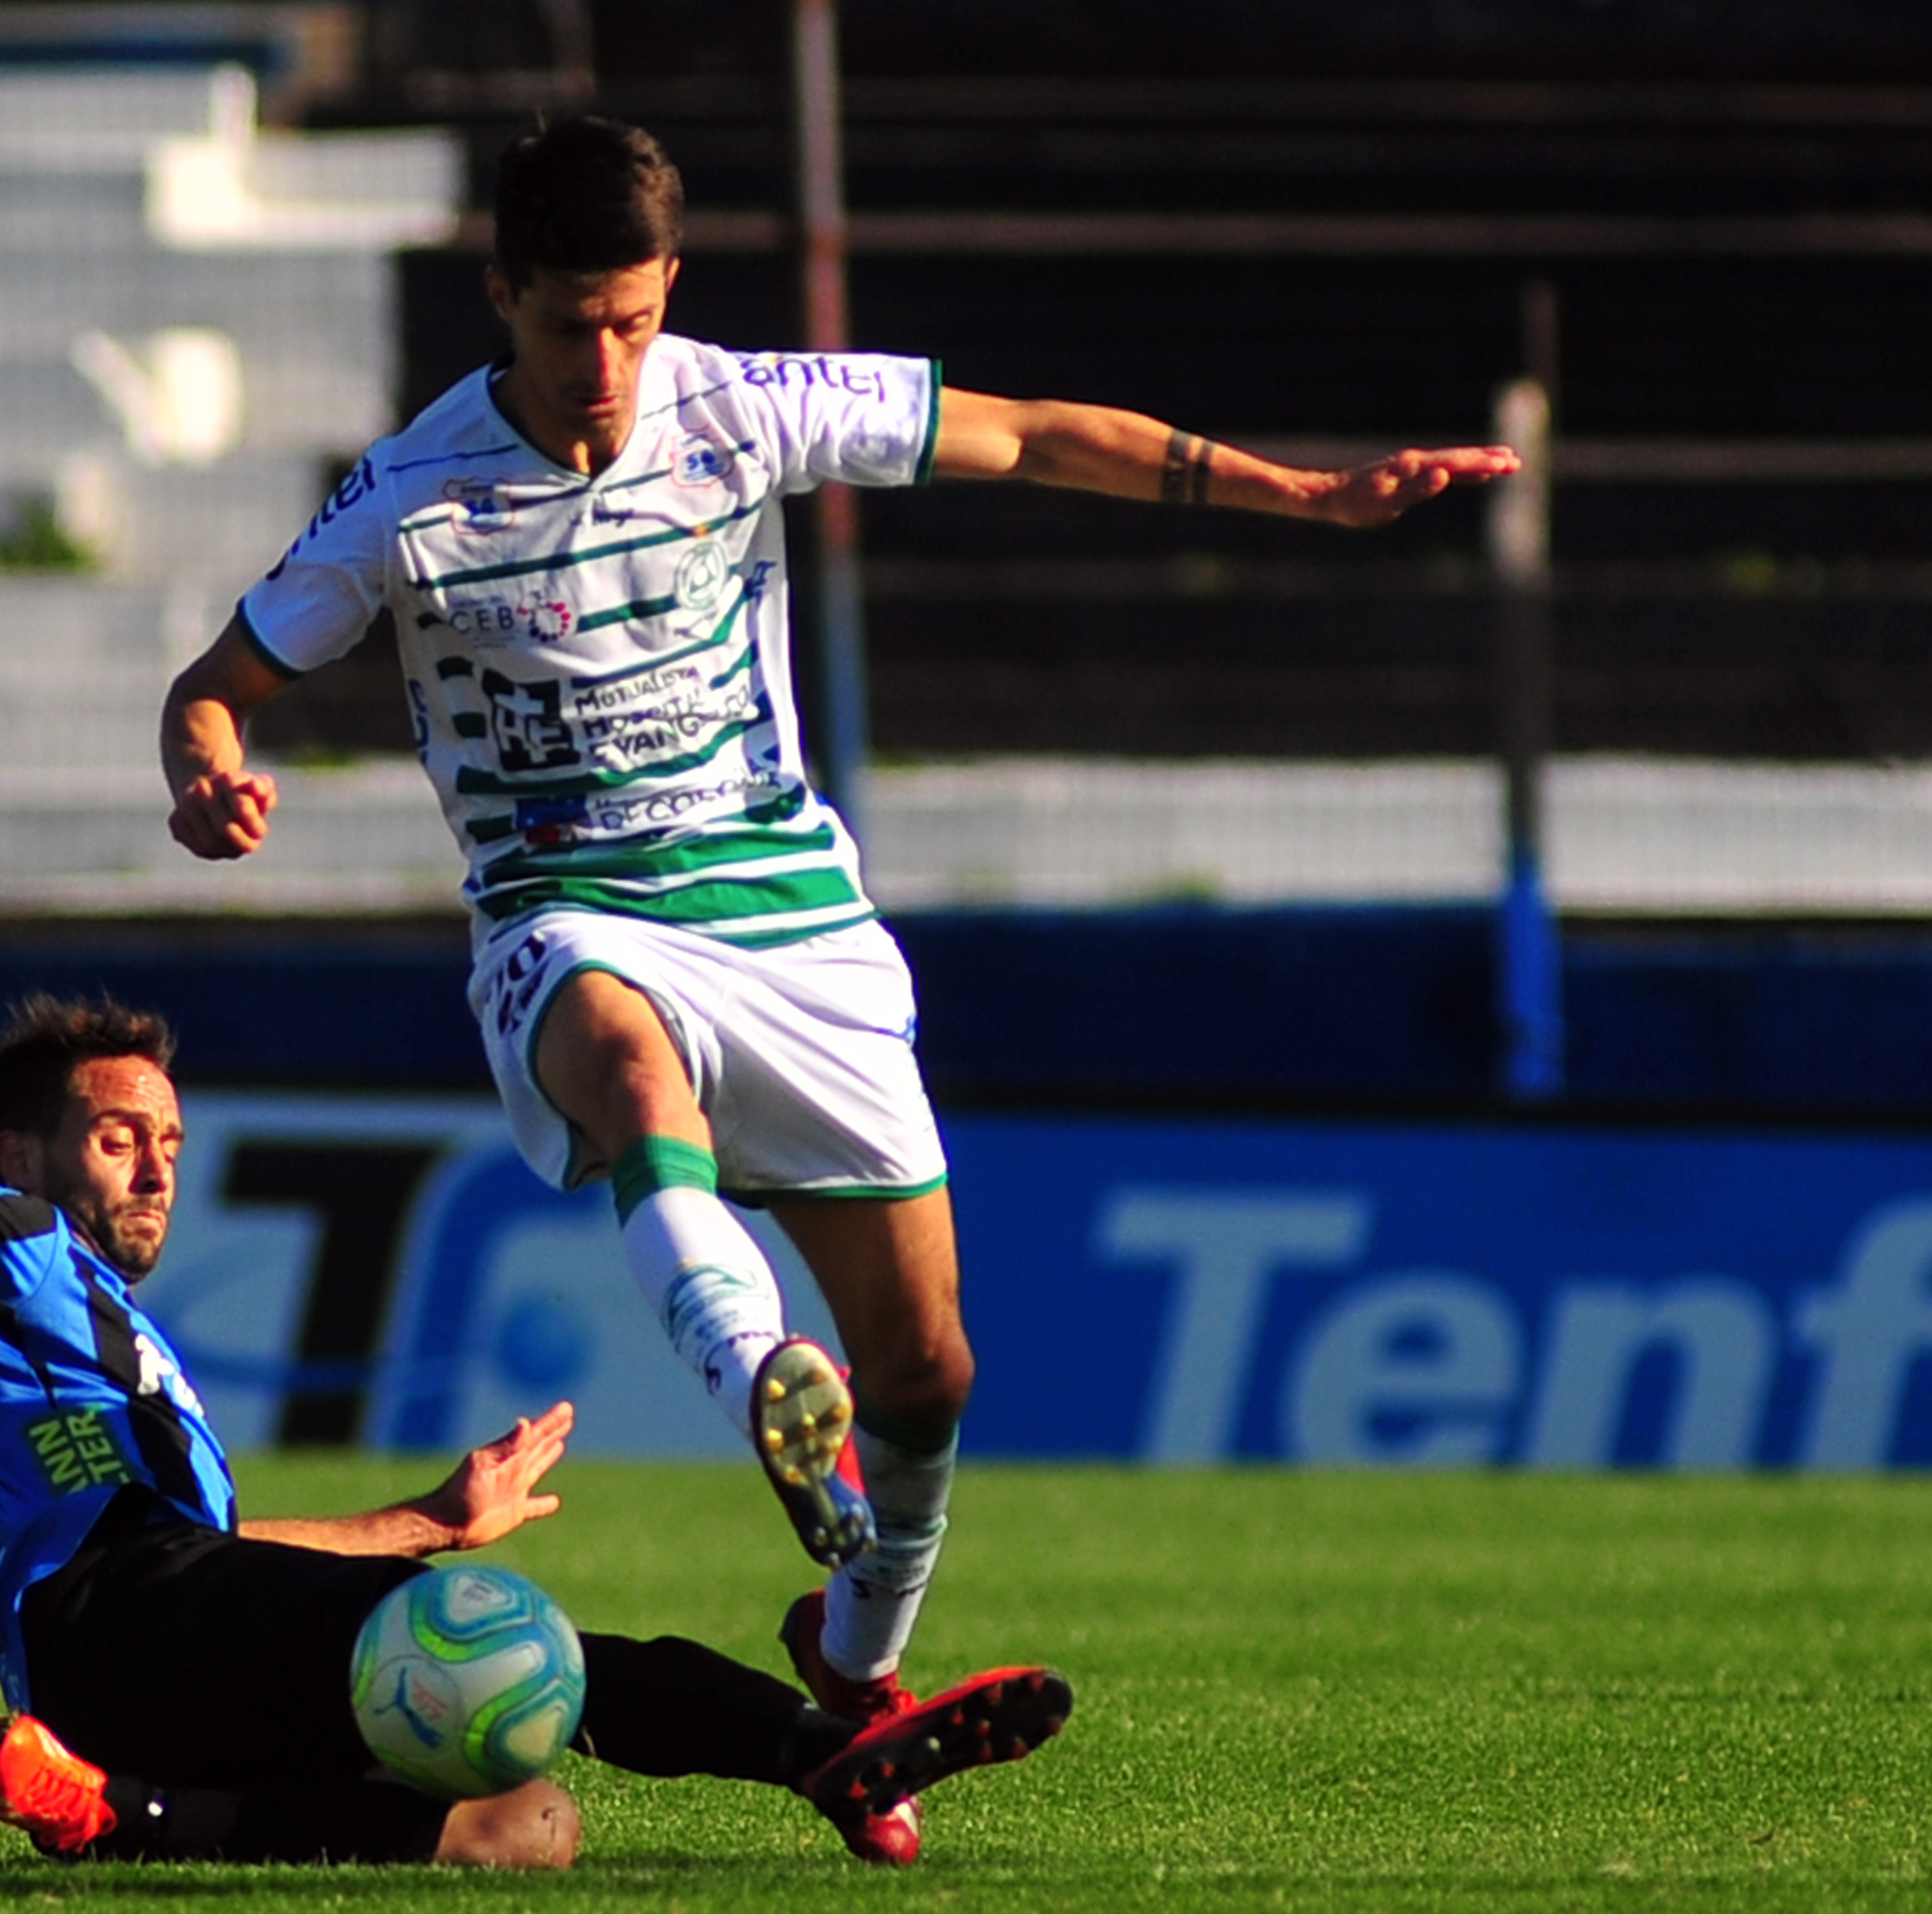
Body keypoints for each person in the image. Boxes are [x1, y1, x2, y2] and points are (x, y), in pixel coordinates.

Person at [158, 110, 1518, 1850]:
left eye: (634, 319)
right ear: (500, 294)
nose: (604, 364)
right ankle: (758, 1380)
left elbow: (1028, 435)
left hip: (793, 923)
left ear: (671, 289)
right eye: (570, 323)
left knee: (932, 1371)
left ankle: (855, 1656)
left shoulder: (743, 408)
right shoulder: (412, 497)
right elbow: (216, 684)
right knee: (628, 1072)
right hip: (569, 914)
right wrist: (208, 773)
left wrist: (1306, 496)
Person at [0, 979, 1073, 1868]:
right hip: (113, 1619)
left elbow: (221, 1560)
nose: (156, 1165)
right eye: (117, 1135)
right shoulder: (7, 1240)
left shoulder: (118, 1353)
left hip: (129, 1663)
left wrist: (426, 1521)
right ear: (21, 1150)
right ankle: (828, 1751)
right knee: (519, 1644)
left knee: (526, 1825)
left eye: (169, 1139)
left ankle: (125, 1812)